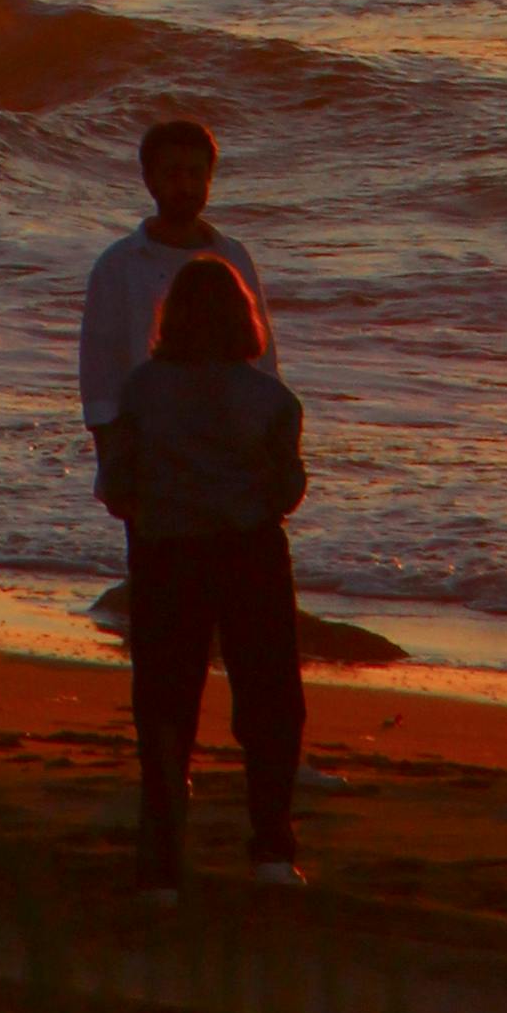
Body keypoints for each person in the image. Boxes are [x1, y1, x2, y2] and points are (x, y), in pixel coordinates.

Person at [97, 251, 310, 897]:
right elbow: (287, 490)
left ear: (174, 316)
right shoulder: (273, 399)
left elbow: (117, 484)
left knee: (165, 704)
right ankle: (271, 848)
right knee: (270, 701)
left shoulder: (141, 389)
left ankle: (162, 860)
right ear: (245, 318)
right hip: (249, 550)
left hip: (167, 553)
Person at [78, 116, 275, 441]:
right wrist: (115, 465)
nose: (184, 186)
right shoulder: (118, 265)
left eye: (195, 174)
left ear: (209, 178)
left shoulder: (234, 257)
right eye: (172, 174)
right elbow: (100, 375)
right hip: (150, 443)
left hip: (229, 445)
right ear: (149, 180)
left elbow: (263, 362)